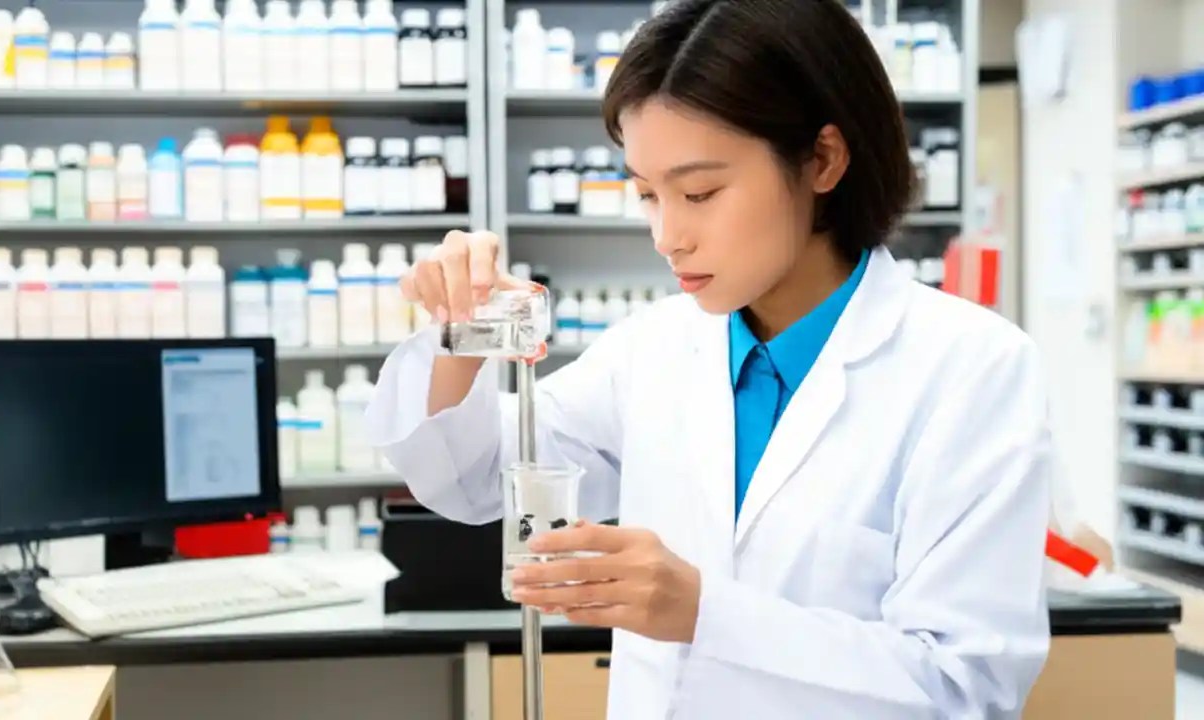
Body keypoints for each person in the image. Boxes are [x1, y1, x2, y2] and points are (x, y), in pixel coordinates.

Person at [367, 1, 1053, 717]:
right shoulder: (653, 349)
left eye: (699, 192)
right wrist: (463, 331)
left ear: (822, 160)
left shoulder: (972, 370)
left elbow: (964, 687)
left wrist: (704, 612)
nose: (667, 236)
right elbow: (475, 478)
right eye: (647, 193)